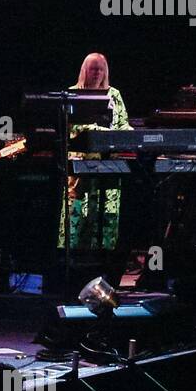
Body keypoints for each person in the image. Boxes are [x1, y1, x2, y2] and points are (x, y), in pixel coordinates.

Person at [59, 52, 130, 252]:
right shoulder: (73, 93)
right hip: (80, 166)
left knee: (104, 214)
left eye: (101, 69)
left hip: (109, 163)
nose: (97, 72)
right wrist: (102, 133)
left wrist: (133, 138)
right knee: (77, 212)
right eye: (93, 68)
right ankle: (72, 255)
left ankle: (103, 256)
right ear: (85, 71)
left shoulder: (114, 94)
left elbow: (123, 124)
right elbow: (72, 129)